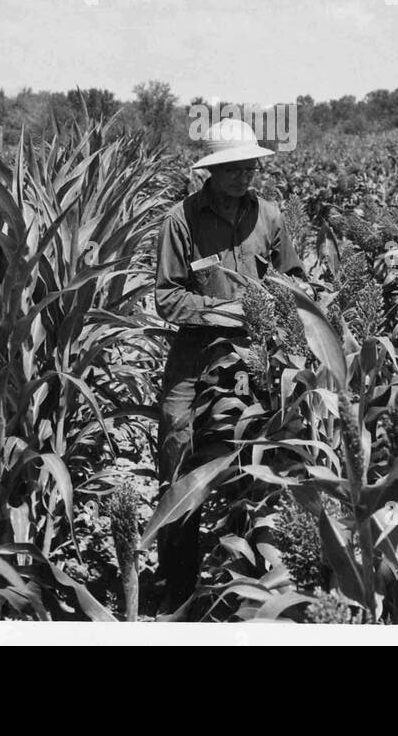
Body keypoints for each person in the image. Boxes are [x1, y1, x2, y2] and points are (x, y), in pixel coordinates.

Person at [152, 118, 304, 611]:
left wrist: (284, 309)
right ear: (210, 172)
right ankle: (178, 592)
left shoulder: (270, 216)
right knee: (178, 455)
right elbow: (168, 299)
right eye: (233, 168)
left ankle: (248, 585)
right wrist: (232, 311)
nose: (244, 176)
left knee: (257, 462)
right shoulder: (181, 220)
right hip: (196, 357)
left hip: (256, 359)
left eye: (250, 167)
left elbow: (292, 280)